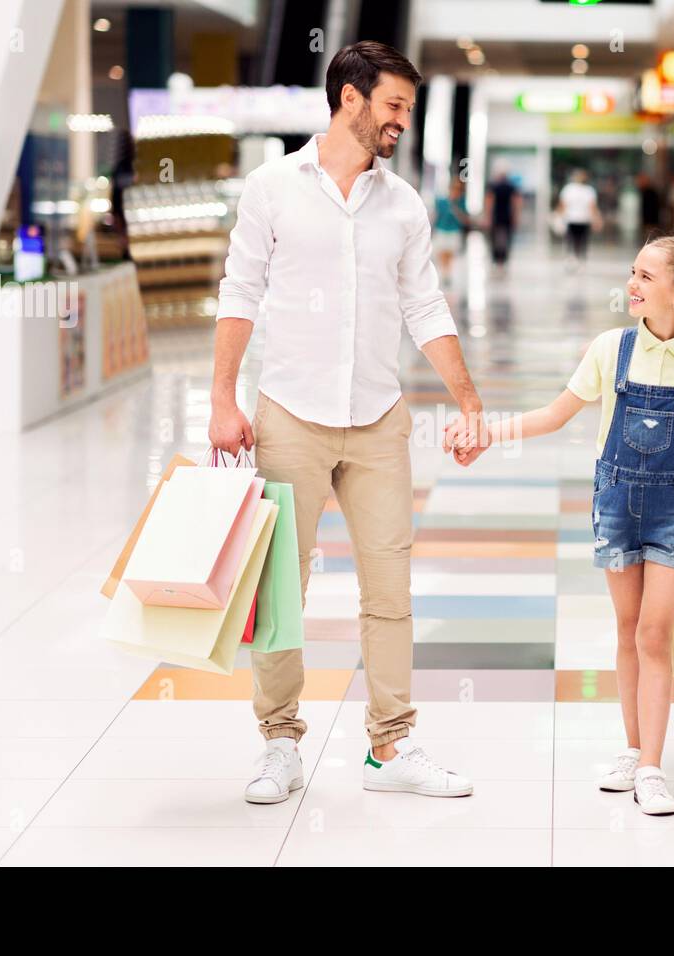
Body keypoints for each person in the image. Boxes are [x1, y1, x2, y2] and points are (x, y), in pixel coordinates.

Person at [209, 41, 491, 805]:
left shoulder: (402, 205)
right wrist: (222, 401)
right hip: (289, 413)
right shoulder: (272, 188)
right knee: (280, 591)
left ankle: (391, 746)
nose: (403, 121)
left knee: (390, 589)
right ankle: (279, 743)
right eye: (394, 105)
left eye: (408, 107)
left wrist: (467, 399)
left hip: (377, 418)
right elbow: (240, 291)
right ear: (350, 100)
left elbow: (424, 306)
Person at [447, 235, 674, 815]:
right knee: (628, 627)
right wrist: (487, 436)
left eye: (645, 276)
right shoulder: (611, 349)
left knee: (654, 636)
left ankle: (655, 768)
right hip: (614, 504)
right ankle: (633, 750)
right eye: (632, 272)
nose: (632, 284)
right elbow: (555, 414)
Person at [557, 168, 601, 264]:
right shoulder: (568, 189)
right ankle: (571, 258)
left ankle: (580, 259)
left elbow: (592, 207)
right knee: (570, 241)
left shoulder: (589, 190)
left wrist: (596, 219)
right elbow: (562, 205)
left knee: (582, 241)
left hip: (584, 220)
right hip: (571, 219)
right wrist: (559, 218)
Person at [432, 177, 469, 285]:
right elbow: (436, 215)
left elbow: (465, 220)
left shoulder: (461, 203)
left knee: (449, 253)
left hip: (454, 231)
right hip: (441, 229)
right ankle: (445, 273)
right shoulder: (441, 202)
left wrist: (456, 209)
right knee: (441, 252)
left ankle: (447, 272)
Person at [483, 160, 521, 267]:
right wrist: (516, 216)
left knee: (495, 237)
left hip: (498, 216)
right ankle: (502, 259)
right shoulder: (511, 187)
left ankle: (497, 259)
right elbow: (517, 203)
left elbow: (489, 203)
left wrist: (488, 217)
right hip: (506, 216)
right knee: (505, 237)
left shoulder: (494, 186)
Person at [635, 172, 663, 244]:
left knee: (651, 240)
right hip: (648, 221)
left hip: (651, 222)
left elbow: (653, 209)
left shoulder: (650, 193)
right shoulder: (644, 192)